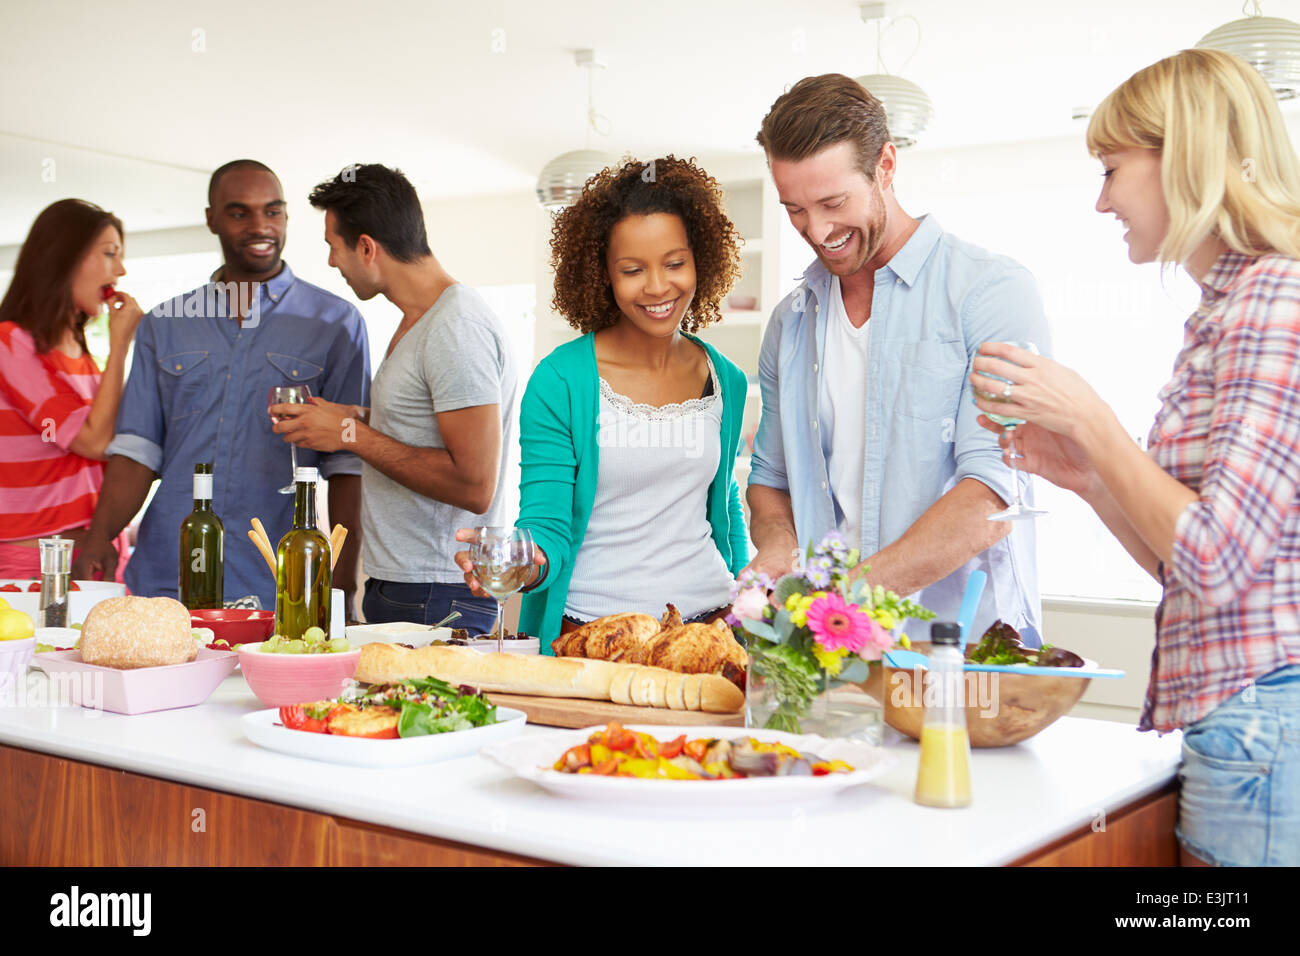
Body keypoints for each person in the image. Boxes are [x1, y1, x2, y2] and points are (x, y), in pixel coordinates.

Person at [971, 48, 1300, 867]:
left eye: (1114, 168)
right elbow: (1193, 573)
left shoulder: (1272, 303)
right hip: (1252, 722)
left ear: (1182, 159)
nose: (1102, 199)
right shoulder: (1224, 313)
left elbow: (1217, 562)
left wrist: (1094, 419)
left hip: (1266, 725)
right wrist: (1087, 476)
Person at [746, 74, 1051, 641]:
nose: (817, 230)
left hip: (958, 651)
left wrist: (838, 606)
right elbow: (770, 478)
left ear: (886, 164)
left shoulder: (990, 292)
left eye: (833, 202)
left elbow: (990, 492)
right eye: (795, 209)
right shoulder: (791, 321)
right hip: (829, 656)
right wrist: (779, 548)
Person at [454, 155, 751, 651]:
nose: (658, 287)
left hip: (710, 631)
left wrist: (751, 596)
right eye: (633, 270)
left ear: (703, 258)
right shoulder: (560, 380)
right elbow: (546, 523)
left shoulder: (727, 379)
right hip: (594, 635)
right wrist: (519, 563)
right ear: (603, 275)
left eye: (675, 263)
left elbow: (724, 508)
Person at [73, 160, 371, 615]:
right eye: (239, 213)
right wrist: (98, 537)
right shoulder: (165, 325)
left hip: (280, 579)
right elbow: (137, 451)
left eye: (273, 212)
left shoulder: (335, 323)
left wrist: (341, 584)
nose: (260, 226)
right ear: (211, 218)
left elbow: (348, 466)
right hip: (167, 574)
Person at [272, 163, 517, 634]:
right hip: (405, 585)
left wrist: (349, 434)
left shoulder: (456, 328)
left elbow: (474, 483)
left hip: (438, 592)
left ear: (367, 248)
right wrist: (352, 416)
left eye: (332, 246)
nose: (330, 262)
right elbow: (424, 421)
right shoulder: (420, 321)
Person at [0, 200, 142, 577]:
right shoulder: (10, 343)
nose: (121, 270)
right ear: (64, 258)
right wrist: (120, 346)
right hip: (35, 564)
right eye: (109, 254)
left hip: (95, 558)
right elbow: (92, 441)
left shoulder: (80, 355)